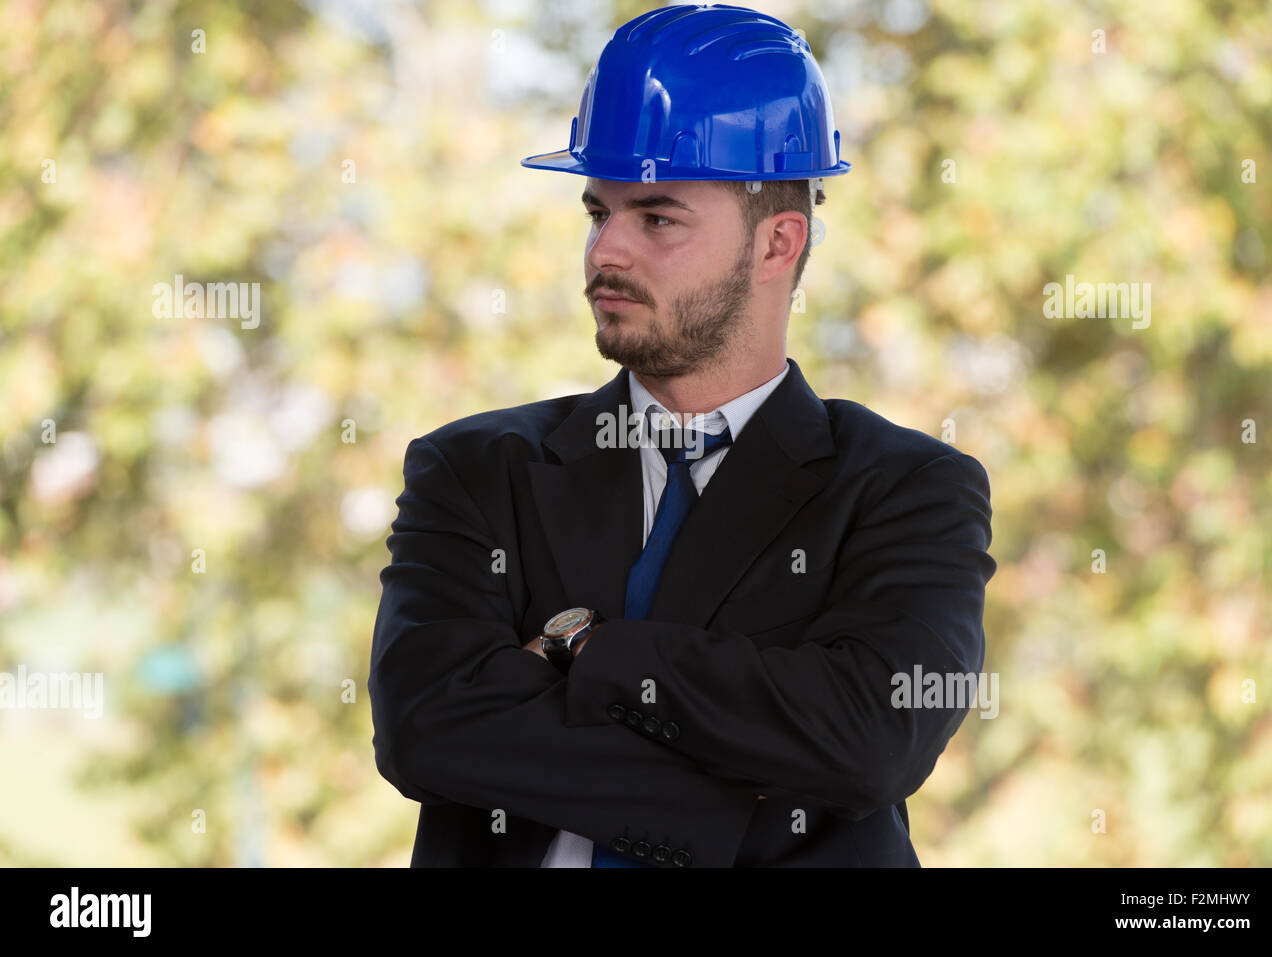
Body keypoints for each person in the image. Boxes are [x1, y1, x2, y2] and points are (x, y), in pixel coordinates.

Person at [367, 3, 996, 868]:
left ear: (779, 243)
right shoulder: (476, 470)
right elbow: (425, 730)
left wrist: (582, 646)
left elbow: (869, 742)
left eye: (656, 218)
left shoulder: (906, 489)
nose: (604, 254)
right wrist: (757, 800)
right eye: (598, 213)